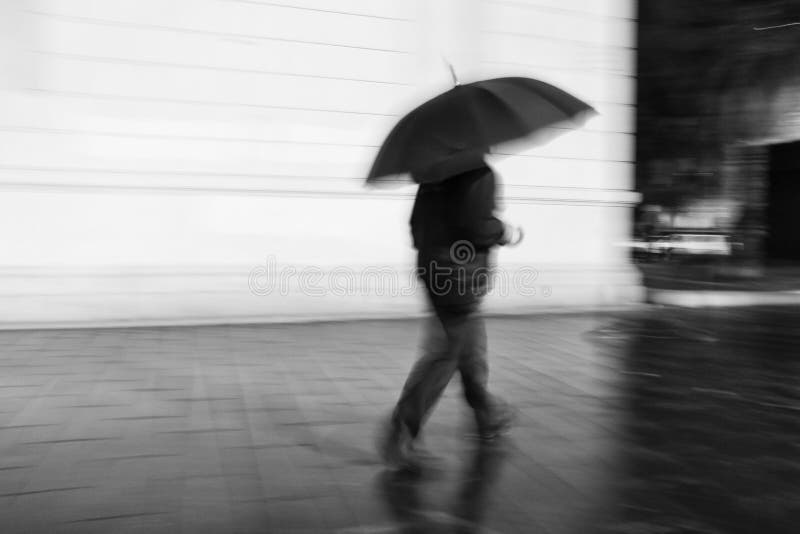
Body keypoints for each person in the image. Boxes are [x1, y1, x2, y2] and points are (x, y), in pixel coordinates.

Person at [379, 157, 522, 471]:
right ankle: (403, 426)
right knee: (447, 352)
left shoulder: (432, 173)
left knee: (468, 348)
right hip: (461, 277)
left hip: (434, 271)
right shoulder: (479, 174)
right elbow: (477, 227)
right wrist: (505, 231)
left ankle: (488, 415)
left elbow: (415, 227)